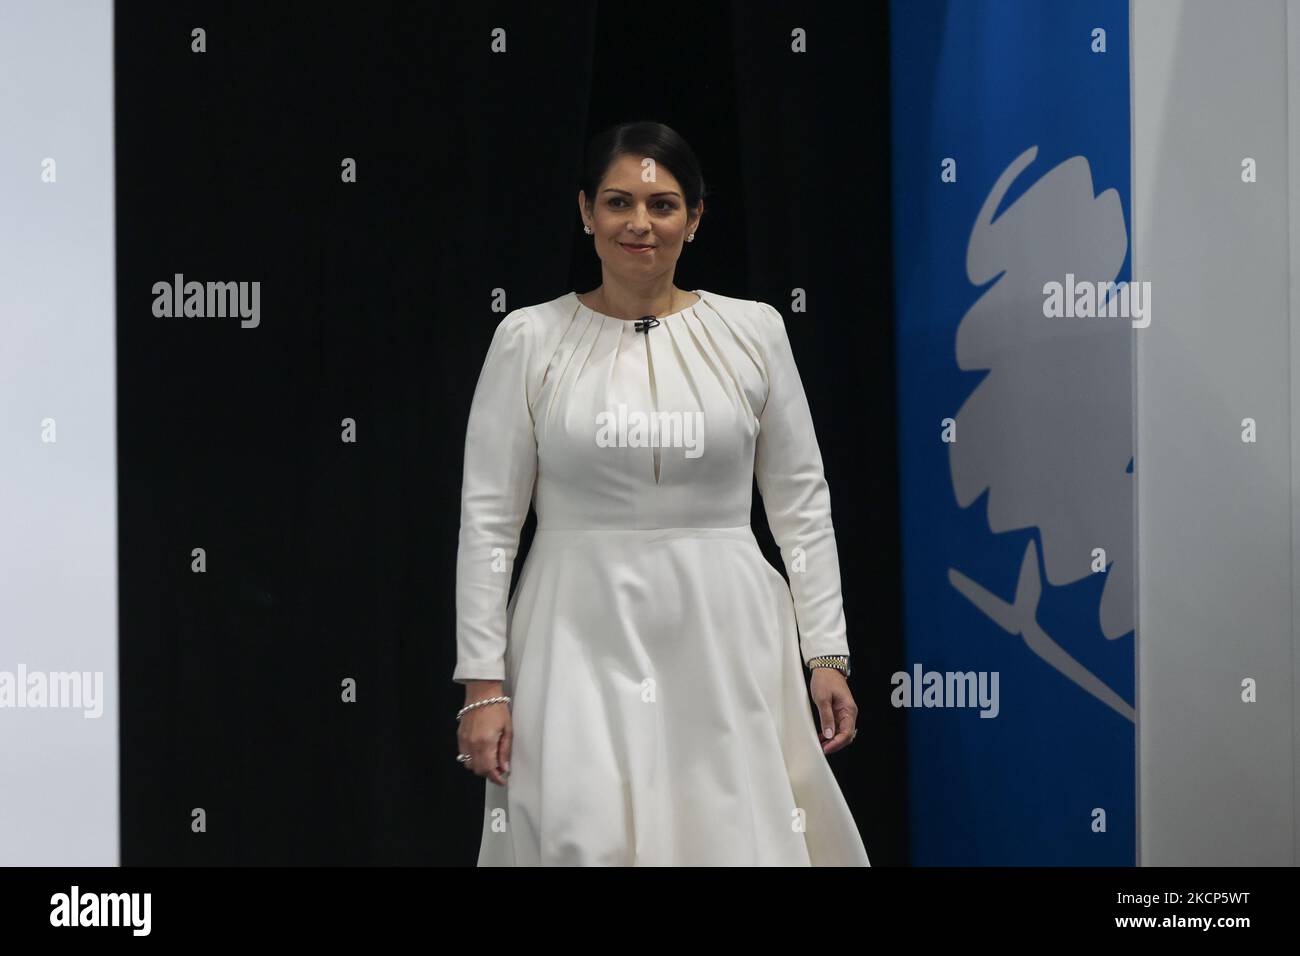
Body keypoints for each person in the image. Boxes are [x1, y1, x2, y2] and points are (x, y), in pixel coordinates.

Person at [453, 120, 869, 865]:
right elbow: (489, 523)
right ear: (585, 212)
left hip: (724, 630)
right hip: (570, 630)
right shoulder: (527, 339)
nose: (639, 223)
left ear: (696, 217)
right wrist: (483, 686)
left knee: (731, 835)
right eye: (617, 202)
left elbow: (801, 506)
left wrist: (826, 651)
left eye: (663, 204)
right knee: (580, 835)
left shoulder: (754, 332)